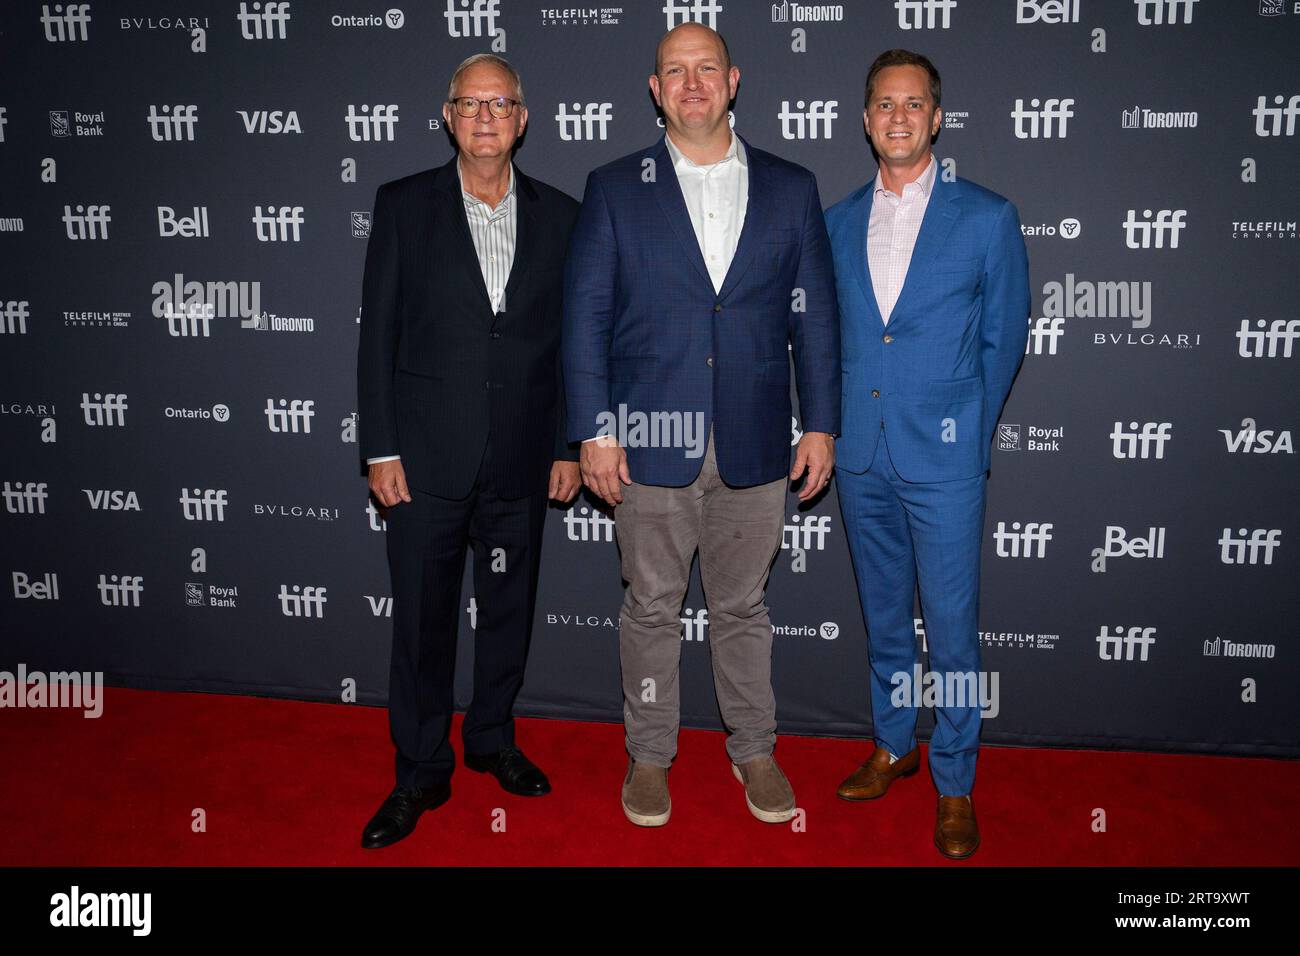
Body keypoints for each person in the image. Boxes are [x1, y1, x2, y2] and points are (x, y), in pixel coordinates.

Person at [563, 23, 840, 827]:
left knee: (743, 608)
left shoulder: (791, 186)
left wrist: (819, 422)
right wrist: (595, 429)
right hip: (646, 443)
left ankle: (754, 746)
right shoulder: (616, 186)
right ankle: (649, 755)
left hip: (757, 443)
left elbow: (815, 319)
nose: (691, 83)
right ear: (655, 89)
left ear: (734, 80)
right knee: (649, 607)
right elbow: (586, 319)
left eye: (706, 69)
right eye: (674, 71)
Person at [355, 53, 581, 849]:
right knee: (421, 622)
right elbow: (376, 335)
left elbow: (569, 345)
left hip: (523, 456)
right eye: (470, 104)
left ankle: (491, 739)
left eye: (501, 104)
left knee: (510, 614)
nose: (486, 118)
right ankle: (419, 771)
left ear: (523, 120)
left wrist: (565, 443)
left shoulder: (562, 215)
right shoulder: (403, 206)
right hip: (423, 458)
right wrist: (379, 446)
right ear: (447, 117)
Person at [824, 49, 1030, 859]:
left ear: (936, 118)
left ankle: (954, 781)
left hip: (943, 462)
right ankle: (892, 744)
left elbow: (1003, 342)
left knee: (951, 632)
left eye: (914, 104)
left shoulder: (986, 216)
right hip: (861, 458)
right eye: (884, 103)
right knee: (882, 620)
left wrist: (967, 443)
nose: (898, 117)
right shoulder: (837, 220)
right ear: (866, 117)